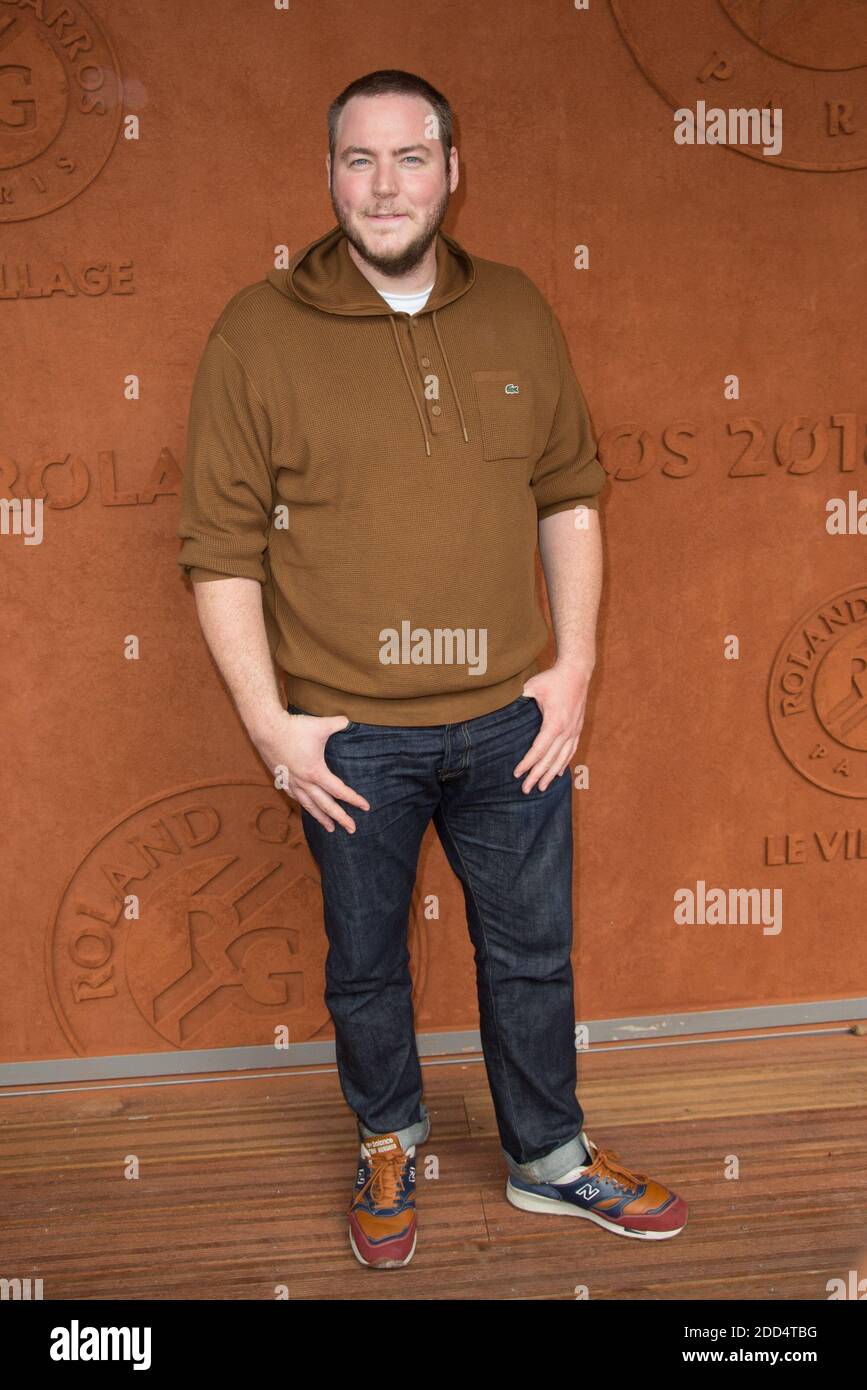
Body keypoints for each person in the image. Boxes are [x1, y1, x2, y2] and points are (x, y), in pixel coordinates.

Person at [177, 68, 688, 1269]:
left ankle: (549, 1158)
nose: (385, 184)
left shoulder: (514, 308)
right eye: (359, 160)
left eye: (411, 157)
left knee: (530, 953)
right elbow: (218, 551)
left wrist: (573, 670)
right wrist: (270, 726)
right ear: (331, 177)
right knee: (364, 963)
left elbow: (569, 497)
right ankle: (389, 1137)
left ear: (454, 171)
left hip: (514, 721)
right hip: (347, 736)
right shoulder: (255, 332)